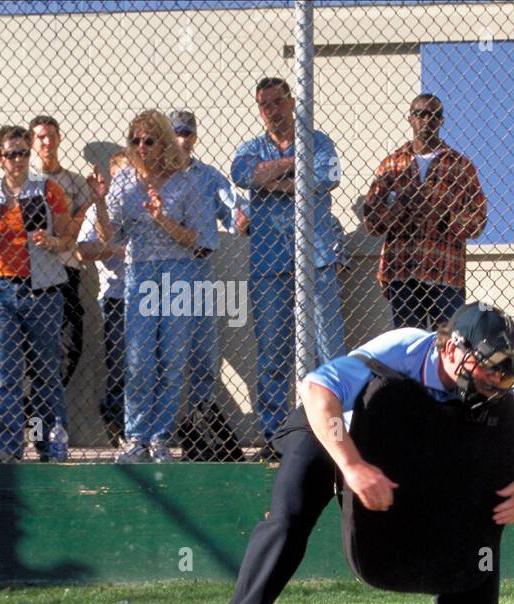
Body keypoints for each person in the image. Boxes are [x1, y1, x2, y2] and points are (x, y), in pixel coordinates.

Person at [204, 302, 514, 604]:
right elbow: (317, 390)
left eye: (503, 369)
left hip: (394, 442)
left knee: (480, 501)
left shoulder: (484, 388)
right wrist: (351, 465)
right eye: (488, 365)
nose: (496, 378)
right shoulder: (404, 350)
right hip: (330, 429)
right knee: (287, 520)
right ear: (450, 349)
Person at [231, 77, 346, 459]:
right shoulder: (251, 148)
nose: (273, 111)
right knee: (273, 354)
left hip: (315, 261)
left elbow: (326, 176)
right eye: (265, 105)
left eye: (278, 102)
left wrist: (274, 180)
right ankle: (277, 438)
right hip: (269, 262)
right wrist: (293, 168)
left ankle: (333, 434)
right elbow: (244, 174)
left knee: (326, 351)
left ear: (291, 101)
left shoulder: (319, 141)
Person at [94, 110, 214, 463]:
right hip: (141, 273)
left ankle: (161, 437)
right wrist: (100, 200)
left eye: (149, 140)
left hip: (179, 273)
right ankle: (136, 438)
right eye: (135, 140)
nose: (142, 147)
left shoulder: (184, 182)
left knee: (174, 358)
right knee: (140, 360)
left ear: (163, 142)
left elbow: (199, 239)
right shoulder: (125, 182)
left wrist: (163, 219)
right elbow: (110, 235)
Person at [362, 93, 486, 331]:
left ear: (442, 121)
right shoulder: (392, 164)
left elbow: (478, 220)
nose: (427, 120)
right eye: (421, 114)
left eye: (434, 115)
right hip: (403, 268)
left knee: (447, 343)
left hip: (445, 270)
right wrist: (399, 208)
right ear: (410, 118)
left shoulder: (460, 166)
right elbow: (372, 220)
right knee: (409, 344)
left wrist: (446, 214)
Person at [0, 124, 73, 462]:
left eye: (24, 152)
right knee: (5, 375)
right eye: (12, 154)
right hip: (0, 292)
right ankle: (8, 447)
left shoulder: (47, 189)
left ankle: (43, 441)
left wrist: (54, 242)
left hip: (42, 291)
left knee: (44, 374)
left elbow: (68, 237)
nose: (19, 160)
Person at [170, 109, 246, 459]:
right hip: (165, 274)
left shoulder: (208, 177)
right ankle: (162, 434)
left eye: (186, 133)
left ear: (194, 136)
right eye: (175, 133)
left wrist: (241, 217)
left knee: (203, 355)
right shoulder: (157, 177)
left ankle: (199, 431)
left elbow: (233, 213)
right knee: (167, 358)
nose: (181, 139)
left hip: (199, 271)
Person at [30, 115, 92, 393]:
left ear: (59, 138)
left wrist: (69, 229)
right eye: (40, 136)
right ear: (32, 142)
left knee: (69, 346)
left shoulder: (76, 182)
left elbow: (84, 225)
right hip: (30, 273)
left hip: (66, 270)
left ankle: (42, 410)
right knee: (28, 349)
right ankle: (32, 421)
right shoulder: (23, 183)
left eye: (51, 135)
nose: (46, 141)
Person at [76, 150, 129, 444]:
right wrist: (117, 251)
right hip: (116, 296)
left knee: (150, 366)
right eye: (120, 176)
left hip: (151, 295)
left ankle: (141, 431)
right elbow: (83, 250)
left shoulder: (147, 203)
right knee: (121, 366)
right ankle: (118, 421)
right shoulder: (100, 209)